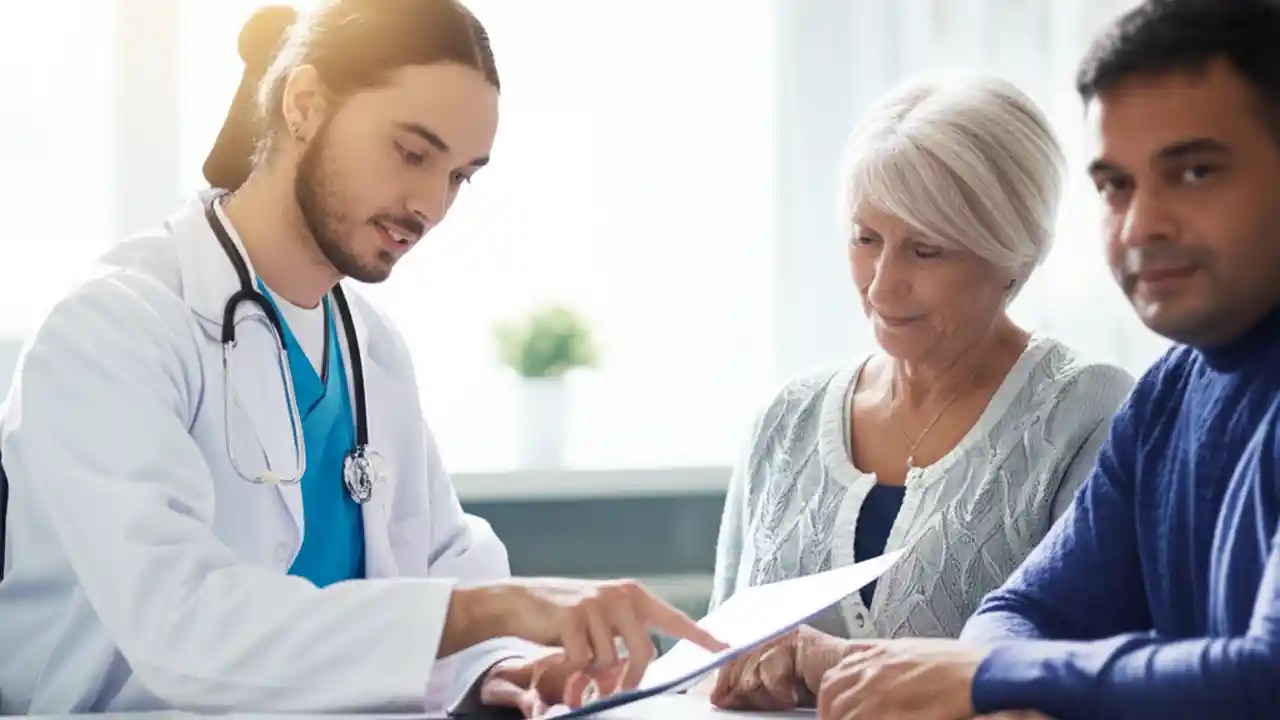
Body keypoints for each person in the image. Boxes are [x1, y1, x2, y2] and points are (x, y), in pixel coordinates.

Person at [0, 1, 723, 714]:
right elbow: (181, 625)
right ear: (305, 104)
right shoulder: (114, 329)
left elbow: (442, 558)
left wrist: (501, 667)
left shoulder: (369, 347)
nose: (431, 207)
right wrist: (499, 609)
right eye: (412, 153)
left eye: (459, 176)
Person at [806, 1, 1280, 719]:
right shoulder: (1169, 396)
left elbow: (1268, 678)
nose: (1140, 224)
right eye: (1116, 185)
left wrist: (992, 678)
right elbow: (1022, 610)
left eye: (1194, 173)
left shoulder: (1100, 398)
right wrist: (1001, 674)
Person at [706, 74, 1133, 711]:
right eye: (865, 239)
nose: (881, 288)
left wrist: (836, 666)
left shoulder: (1088, 412)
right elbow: (710, 657)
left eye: (925, 251)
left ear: (1014, 254)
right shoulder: (787, 417)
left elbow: (1089, 679)